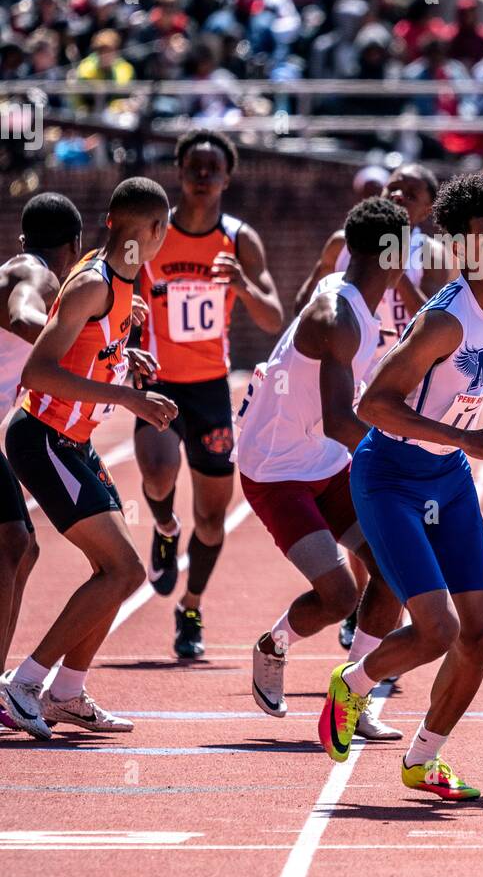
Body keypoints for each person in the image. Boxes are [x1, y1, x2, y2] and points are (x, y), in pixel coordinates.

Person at [317, 172, 483, 798]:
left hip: (448, 477)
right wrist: (470, 440)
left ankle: (424, 758)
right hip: (393, 477)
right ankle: (353, 683)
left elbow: (480, 355)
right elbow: (373, 404)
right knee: (438, 631)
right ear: (461, 250)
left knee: (478, 633)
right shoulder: (443, 319)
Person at [0, 179, 177, 739]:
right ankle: (23, 683)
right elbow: (37, 373)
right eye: (163, 229)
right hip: (42, 438)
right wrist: (129, 397)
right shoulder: (92, 284)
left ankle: (67, 692)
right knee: (121, 569)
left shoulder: (124, 282)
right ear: (154, 231)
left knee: (119, 571)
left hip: (74, 441)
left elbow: (88, 347)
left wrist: (123, 356)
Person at [241, 196, 410, 744]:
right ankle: (274, 644)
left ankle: (353, 695)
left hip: (326, 462)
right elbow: (341, 419)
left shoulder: (363, 305)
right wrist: (408, 456)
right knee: (337, 595)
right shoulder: (337, 313)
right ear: (394, 253)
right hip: (278, 470)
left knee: (391, 571)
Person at [134, 130, 283, 659]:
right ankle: (164, 526)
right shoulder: (150, 235)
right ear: (178, 172)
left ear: (227, 176)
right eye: (193, 166)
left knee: (214, 518)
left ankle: (191, 605)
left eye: (212, 168)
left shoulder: (239, 238)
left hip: (210, 389)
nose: (202, 176)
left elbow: (272, 317)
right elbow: (112, 287)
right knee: (155, 473)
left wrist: (242, 284)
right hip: (157, 380)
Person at [295, 162, 455, 649]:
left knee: (387, 498)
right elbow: (308, 298)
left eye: (412, 192)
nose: (401, 196)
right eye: (393, 189)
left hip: (400, 381)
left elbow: (439, 313)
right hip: (351, 374)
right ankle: (362, 606)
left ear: (428, 207)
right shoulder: (346, 242)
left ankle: (372, 607)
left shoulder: (434, 253)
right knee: (363, 491)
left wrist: (399, 271)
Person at [0, 195, 83, 729]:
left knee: (21, 548)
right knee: (14, 545)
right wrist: (71, 346)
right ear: (75, 247)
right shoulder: (36, 273)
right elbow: (22, 314)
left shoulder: (24, 265)